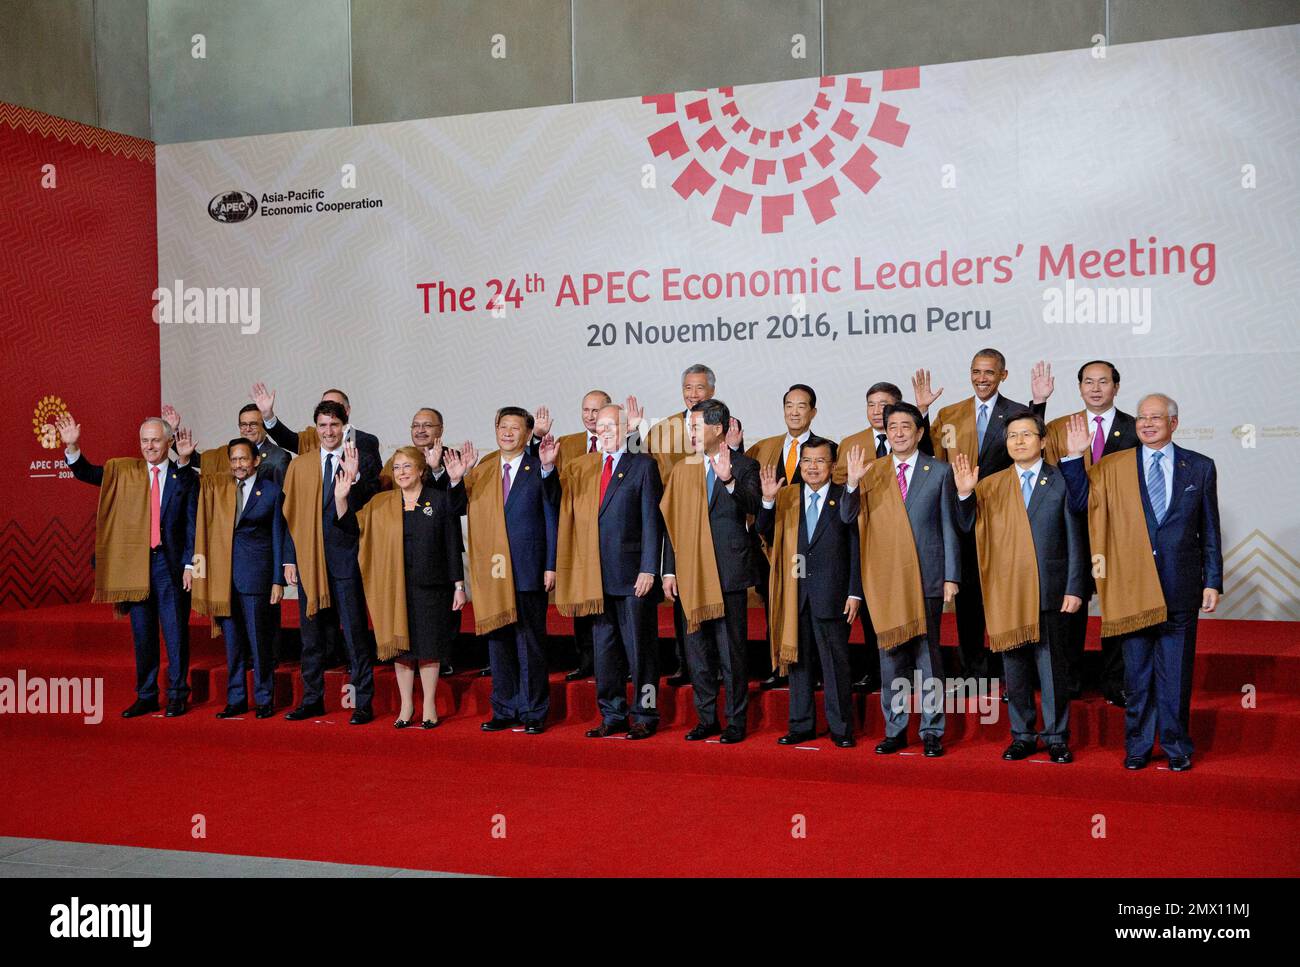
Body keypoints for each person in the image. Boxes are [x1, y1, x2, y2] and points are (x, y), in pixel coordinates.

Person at [1059, 397, 1222, 771]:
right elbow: (1082, 502)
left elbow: (1208, 528)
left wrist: (1212, 580)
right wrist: (1074, 459)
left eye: (1156, 418)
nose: (1147, 424)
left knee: (1176, 675)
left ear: (1174, 422)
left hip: (1180, 586)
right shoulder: (1114, 466)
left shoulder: (1199, 467)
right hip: (1132, 587)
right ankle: (1138, 745)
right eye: (1143, 418)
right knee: (1137, 675)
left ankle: (1177, 746)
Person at [953, 412, 1087, 763]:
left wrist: (1075, 587)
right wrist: (966, 494)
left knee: (1052, 669)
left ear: (1042, 441)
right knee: (1015, 670)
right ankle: (1023, 735)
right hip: (1007, 592)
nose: (1019, 441)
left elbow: (1077, 539)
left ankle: (1057, 737)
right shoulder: (991, 484)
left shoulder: (1062, 481)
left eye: (1027, 434)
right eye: (1012, 435)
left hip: (1051, 591)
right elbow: (967, 527)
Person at [58, 412, 199, 718]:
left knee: (175, 633)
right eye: (144, 441)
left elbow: (192, 525)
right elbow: (87, 473)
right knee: (143, 633)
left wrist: (191, 565)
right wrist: (72, 447)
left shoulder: (183, 475)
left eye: (155, 441)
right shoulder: (125, 471)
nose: (149, 447)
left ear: (168, 441)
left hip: (170, 566)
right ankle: (147, 695)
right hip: (135, 564)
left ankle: (177, 694)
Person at [840, 403, 960, 757]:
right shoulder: (871, 472)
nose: (899, 432)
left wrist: (951, 575)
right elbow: (848, 519)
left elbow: (949, 527)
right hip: (884, 580)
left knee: (928, 660)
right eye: (892, 427)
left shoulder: (939, 471)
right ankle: (895, 729)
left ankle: (932, 730)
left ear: (919, 432)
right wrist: (851, 483)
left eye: (906, 426)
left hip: (927, 577)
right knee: (890, 658)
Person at [928, 351, 1054, 683]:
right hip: (964, 519)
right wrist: (922, 412)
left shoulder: (1017, 413)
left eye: (989, 373)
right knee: (968, 604)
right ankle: (974, 674)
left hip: (1006, 521)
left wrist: (1038, 403)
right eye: (976, 372)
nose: (982, 378)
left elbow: (1034, 448)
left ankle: (1011, 674)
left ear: (1003, 375)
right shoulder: (949, 414)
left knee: (1004, 598)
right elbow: (932, 462)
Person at [335, 445, 468, 729]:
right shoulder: (381, 503)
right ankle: (407, 705)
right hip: (393, 586)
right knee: (401, 649)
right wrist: (341, 499)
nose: (401, 472)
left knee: (428, 647)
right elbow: (350, 529)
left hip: (432, 586)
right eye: (396, 468)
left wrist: (458, 585)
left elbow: (451, 545)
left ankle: (429, 704)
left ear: (421, 470)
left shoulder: (439, 500)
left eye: (407, 466)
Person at [556, 404, 664, 739]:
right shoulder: (584, 469)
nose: (604, 432)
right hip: (595, 578)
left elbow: (652, 522)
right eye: (599, 427)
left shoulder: (643, 465)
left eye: (611, 426)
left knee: (639, 651)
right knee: (604, 654)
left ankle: (645, 714)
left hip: (633, 577)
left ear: (625, 428)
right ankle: (612, 713)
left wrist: (649, 568)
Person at [661, 399, 761, 744]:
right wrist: (669, 571)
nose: (690, 433)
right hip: (689, 574)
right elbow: (671, 524)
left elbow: (753, 508)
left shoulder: (745, 466)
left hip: (728, 572)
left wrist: (728, 480)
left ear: (718, 429)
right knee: (698, 651)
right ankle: (707, 718)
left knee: (730, 652)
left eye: (696, 426)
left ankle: (735, 720)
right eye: (689, 426)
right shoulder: (683, 469)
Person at [1043, 360, 1140, 705]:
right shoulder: (1058, 428)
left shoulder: (1135, 428)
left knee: (1117, 610)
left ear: (1116, 386)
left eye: (1103, 382)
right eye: (1088, 382)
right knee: (1069, 610)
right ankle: (1067, 680)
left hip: (1118, 534)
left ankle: (1116, 682)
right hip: (1071, 533)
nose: (1095, 388)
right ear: (1080, 387)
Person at [757, 436, 862, 747]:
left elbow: (857, 545)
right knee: (798, 663)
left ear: (832, 466)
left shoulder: (845, 496)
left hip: (833, 594)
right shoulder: (786, 496)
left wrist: (854, 592)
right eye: (807, 461)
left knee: (835, 664)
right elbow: (764, 532)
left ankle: (841, 728)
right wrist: (767, 502)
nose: (812, 467)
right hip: (795, 593)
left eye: (819, 461)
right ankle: (801, 724)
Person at [832, 378, 934, 694]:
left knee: (923, 643)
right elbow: (843, 501)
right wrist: (853, 483)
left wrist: (922, 411)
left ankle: (925, 711)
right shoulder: (855, 447)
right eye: (871, 405)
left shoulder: (924, 457)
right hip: (869, 548)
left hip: (917, 557)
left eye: (883, 405)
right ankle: (883, 694)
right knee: (878, 629)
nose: (877, 411)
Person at [281, 400, 379, 725]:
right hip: (309, 563)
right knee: (311, 638)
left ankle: (363, 702)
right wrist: (290, 560)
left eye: (334, 425)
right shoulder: (301, 465)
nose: (328, 432)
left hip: (346, 560)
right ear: (316, 428)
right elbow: (289, 518)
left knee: (354, 634)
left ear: (344, 425)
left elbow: (368, 509)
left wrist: (352, 483)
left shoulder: (359, 460)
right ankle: (312, 699)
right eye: (322, 426)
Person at [465, 407, 561, 734]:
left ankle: (534, 711)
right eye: (502, 426)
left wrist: (551, 565)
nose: (507, 433)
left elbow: (551, 516)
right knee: (499, 643)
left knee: (529, 642)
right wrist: (453, 478)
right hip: (493, 572)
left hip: (528, 568)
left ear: (526, 433)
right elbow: (455, 508)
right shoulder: (483, 469)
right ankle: (503, 708)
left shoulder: (541, 468)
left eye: (515, 428)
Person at [189, 438, 285, 719]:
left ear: (256, 461)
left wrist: (278, 580)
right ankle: (237, 699)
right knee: (232, 644)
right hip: (223, 578)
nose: (239, 465)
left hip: (256, 577)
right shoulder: (219, 490)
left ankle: (265, 698)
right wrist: (199, 573)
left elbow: (279, 536)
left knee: (259, 642)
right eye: (234, 460)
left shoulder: (272, 491)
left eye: (244, 459)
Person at [745, 384, 832, 691]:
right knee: (775, 605)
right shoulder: (763, 449)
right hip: (771, 547)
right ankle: (778, 664)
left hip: (813, 549)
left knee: (812, 610)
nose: (794, 412)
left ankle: (818, 669)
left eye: (801, 406)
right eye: (789, 406)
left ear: (813, 412)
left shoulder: (828, 450)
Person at [539, 390, 613, 682]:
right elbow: (547, 486)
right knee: (583, 600)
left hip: (608, 534)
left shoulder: (623, 443)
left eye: (597, 410)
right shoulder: (565, 444)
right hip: (575, 535)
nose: (591, 416)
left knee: (608, 605)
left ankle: (613, 663)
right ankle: (586, 662)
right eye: (586, 410)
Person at [163, 402, 291, 486]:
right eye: (243, 425)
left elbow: (283, 499)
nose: (247, 429)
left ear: (265, 427)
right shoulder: (228, 452)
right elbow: (197, 460)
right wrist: (173, 432)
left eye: (253, 424)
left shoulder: (279, 457)